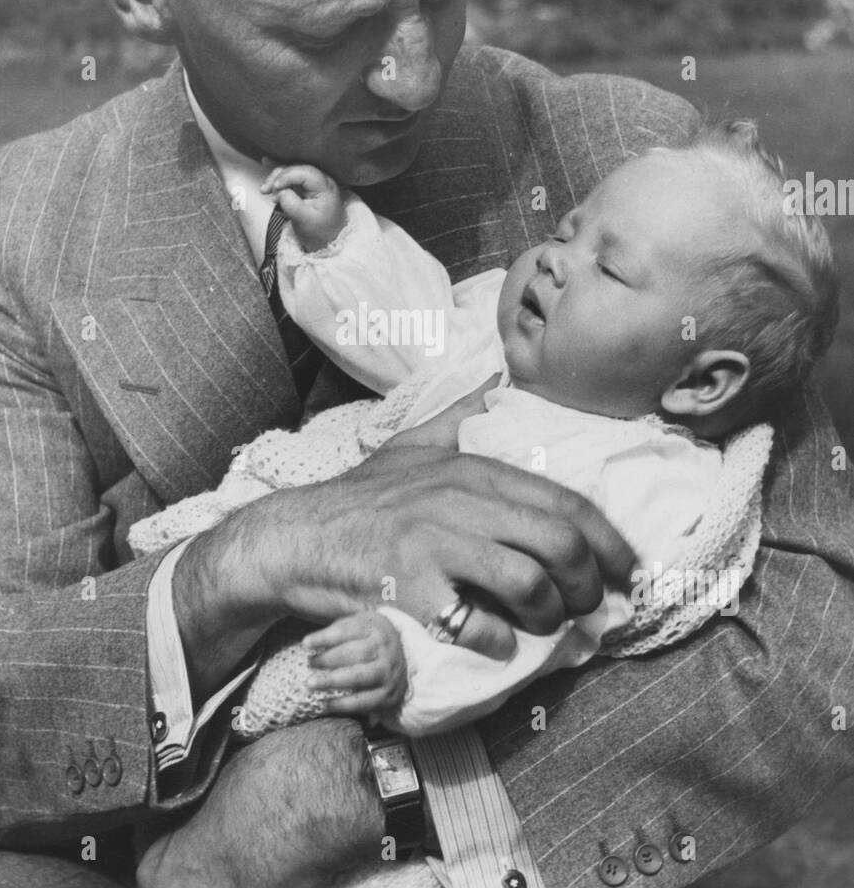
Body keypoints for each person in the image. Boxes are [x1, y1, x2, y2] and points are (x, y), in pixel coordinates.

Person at [0, 0, 851, 888]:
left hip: (507, 879)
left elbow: (813, 639)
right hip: (108, 868)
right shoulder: (13, 236)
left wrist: (353, 795)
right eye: (333, 26)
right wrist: (246, 560)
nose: (415, 75)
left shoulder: (633, 176)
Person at [132, 123, 835, 745]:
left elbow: (539, 619)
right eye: (565, 231)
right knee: (154, 619)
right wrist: (337, 241)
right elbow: (404, 324)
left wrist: (408, 657)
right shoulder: (498, 346)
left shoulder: (630, 477)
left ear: (697, 382)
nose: (556, 259)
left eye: (610, 268)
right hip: (268, 533)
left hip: (369, 635)